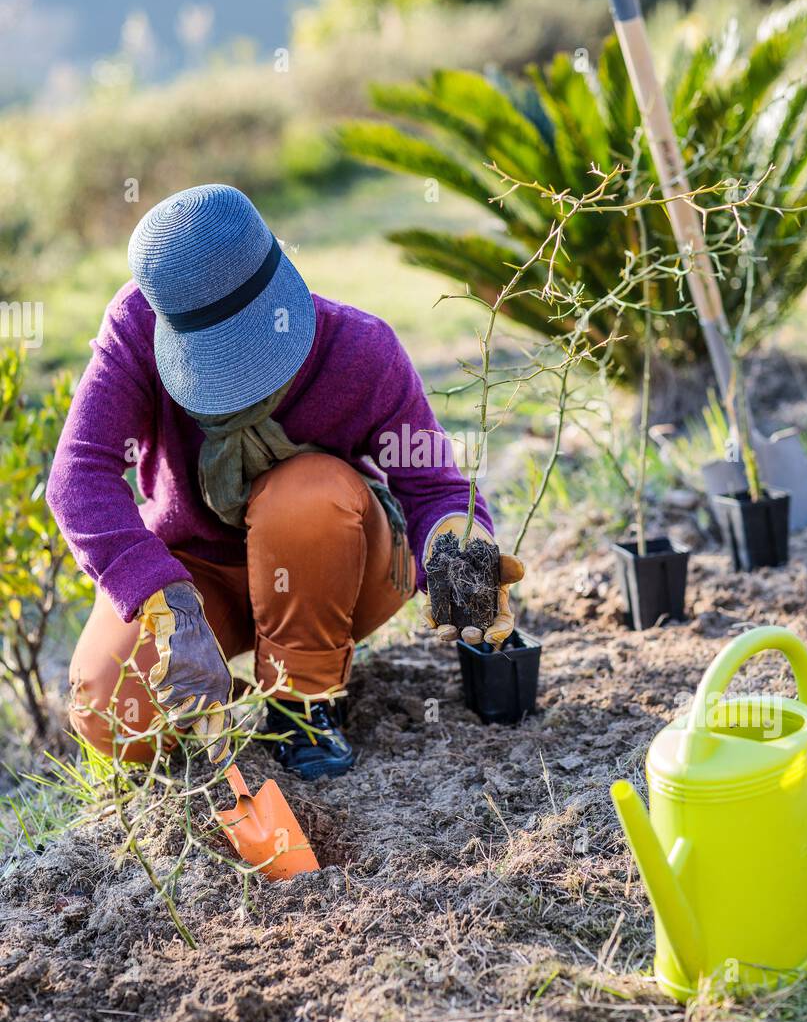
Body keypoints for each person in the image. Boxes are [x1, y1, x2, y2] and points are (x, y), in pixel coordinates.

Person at [47, 184, 523, 780]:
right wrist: (163, 601)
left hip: (337, 563)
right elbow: (78, 476)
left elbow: (435, 487)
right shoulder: (139, 323)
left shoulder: (359, 350)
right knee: (112, 714)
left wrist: (459, 549)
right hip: (197, 578)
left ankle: (302, 702)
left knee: (306, 495)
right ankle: (208, 693)